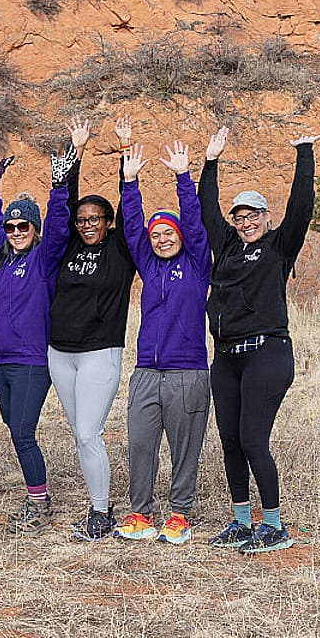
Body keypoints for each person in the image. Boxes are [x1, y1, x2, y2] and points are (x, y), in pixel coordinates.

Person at [200, 126, 317, 554]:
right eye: (240, 216)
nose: (246, 222)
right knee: (230, 441)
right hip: (226, 357)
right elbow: (205, 208)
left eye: (253, 215)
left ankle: (274, 526)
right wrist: (210, 162)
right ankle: (241, 522)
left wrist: (304, 154)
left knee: (252, 439)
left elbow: (301, 208)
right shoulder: (227, 246)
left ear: (266, 218)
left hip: (267, 352)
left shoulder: (279, 246)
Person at [112, 135, 212, 546]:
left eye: (169, 233)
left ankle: (180, 514)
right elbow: (132, 226)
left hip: (187, 371)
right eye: (157, 235)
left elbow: (194, 221)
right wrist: (129, 181)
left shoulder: (197, 264)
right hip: (146, 372)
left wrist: (183, 178)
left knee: (185, 448)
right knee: (139, 442)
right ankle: (140, 513)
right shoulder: (148, 266)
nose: (162, 238)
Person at [47, 118, 137, 542]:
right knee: (81, 435)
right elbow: (64, 200)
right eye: (82, 219)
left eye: (95, 219)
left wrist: (125, 153)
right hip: (60, 352)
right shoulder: (66, 245)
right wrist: (75, 150)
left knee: (88, 431)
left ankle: (101, 512)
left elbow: (129, 202)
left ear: (108, 222)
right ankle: (97, 504)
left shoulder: (121, 249)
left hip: (101, 350)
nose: (86, 225)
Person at [0, 135, 78, 536]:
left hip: (31, 362)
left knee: (23, 432)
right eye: (11, 225)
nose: (16, 230)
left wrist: (59, 187)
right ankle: (38, 495)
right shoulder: (5, 258)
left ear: (34, 229)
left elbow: (58, 228)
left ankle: (38, 503)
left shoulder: (43, 259)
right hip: (0, 361)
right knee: (14, 429)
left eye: (24, 225)